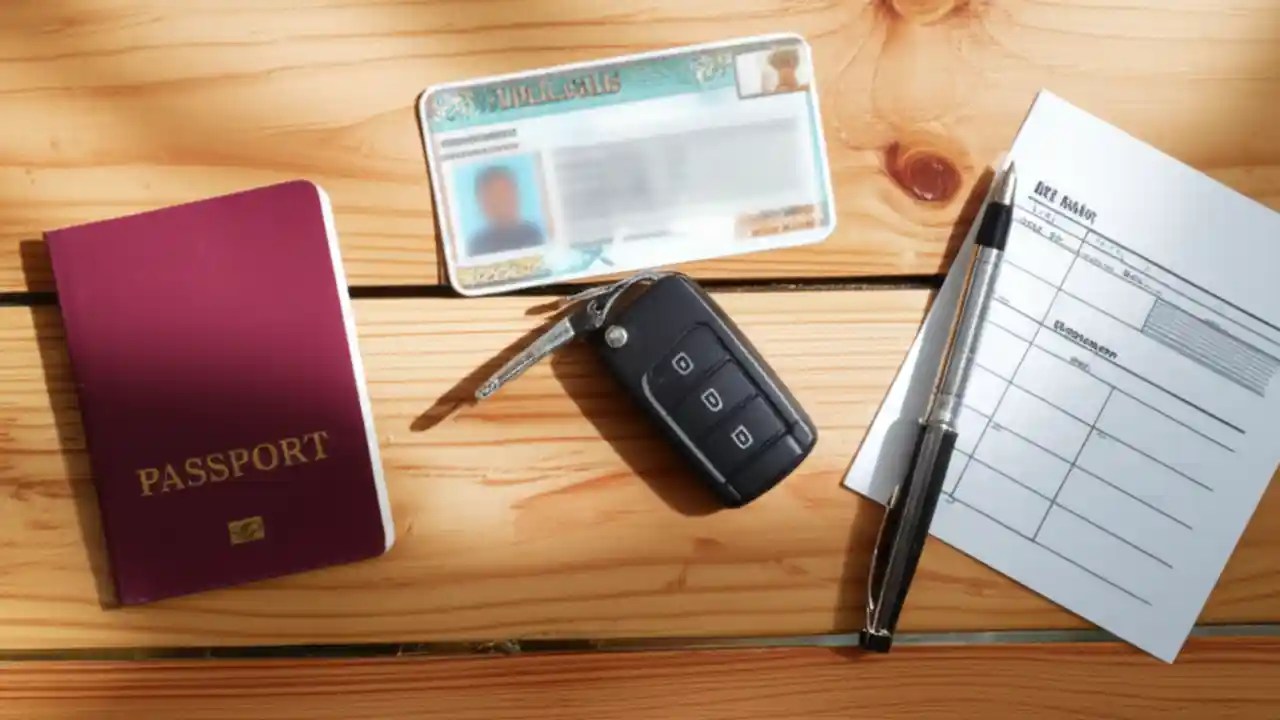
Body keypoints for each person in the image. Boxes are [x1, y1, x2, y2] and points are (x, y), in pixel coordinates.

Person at [467, 165, 545, 256]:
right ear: (483, 201)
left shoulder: (533, 234)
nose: (508, 200)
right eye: (498, 195)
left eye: (510, 192)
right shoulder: (477, 245)